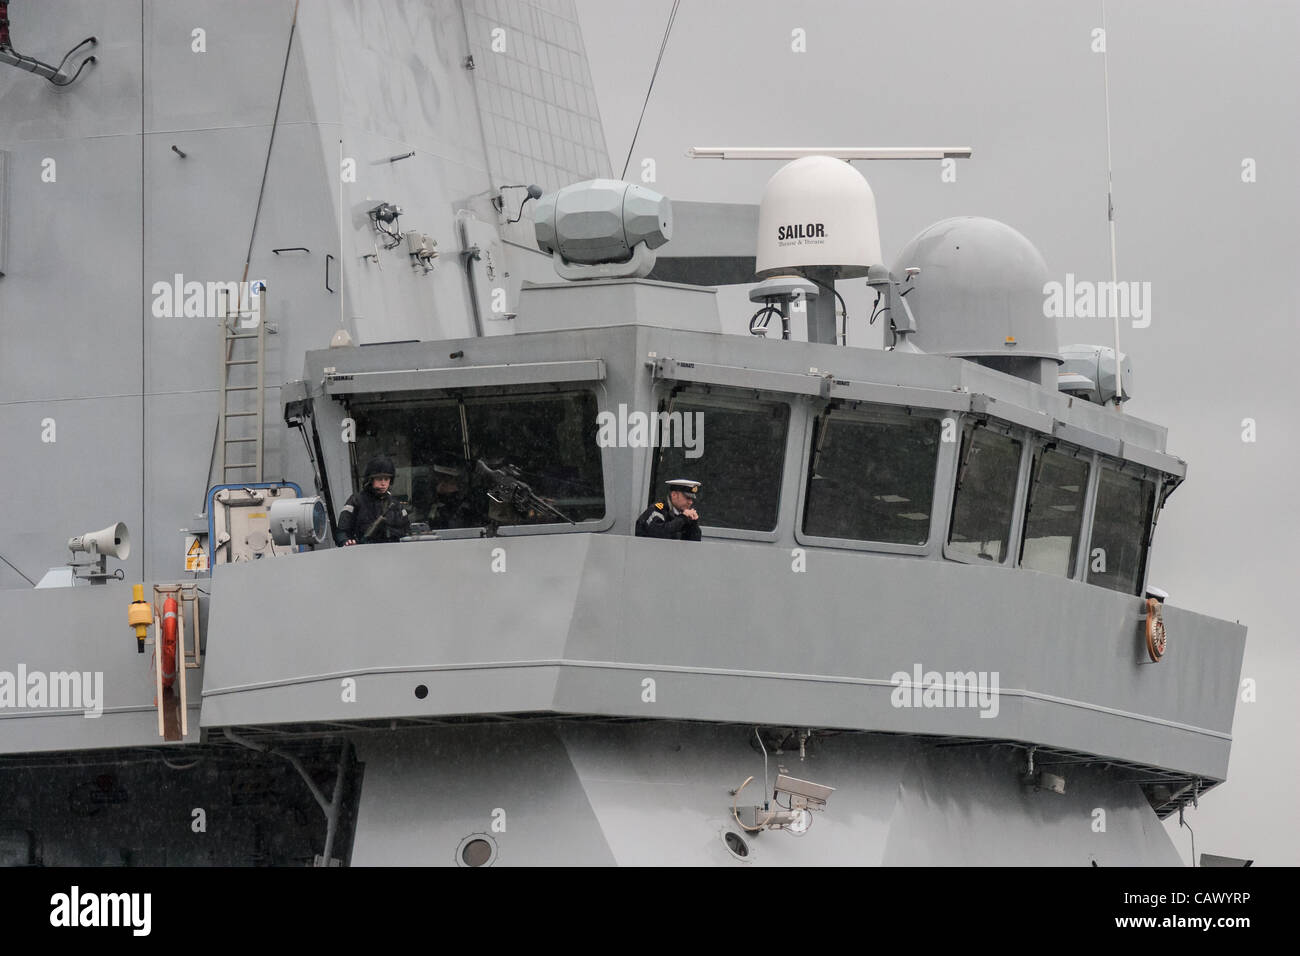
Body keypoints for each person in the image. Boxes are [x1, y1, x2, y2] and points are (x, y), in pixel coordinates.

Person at [335, 455, 412, 545]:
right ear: (370, 480)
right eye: (379, 479)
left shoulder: (396, 505)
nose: (383, 483)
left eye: (386, 479)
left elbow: (407, 532)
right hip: (363, 554)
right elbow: (341, 532)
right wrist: (346, 542)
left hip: (392, 554)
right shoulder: (356, 501)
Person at [635, 478, 702, 540]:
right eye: (687, 498)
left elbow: (694, 542)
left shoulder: (683, 516)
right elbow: (660, 534)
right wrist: (682, 518)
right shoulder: (657, 510)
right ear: (674, 495)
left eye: (692, 499)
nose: (690, 502)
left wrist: (693, 523)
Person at [426, 459, 477, 530]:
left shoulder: (468, 510)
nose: (439, 488)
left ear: (458, 484)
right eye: (438, 481)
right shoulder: (430, 507)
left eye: (446, 481)